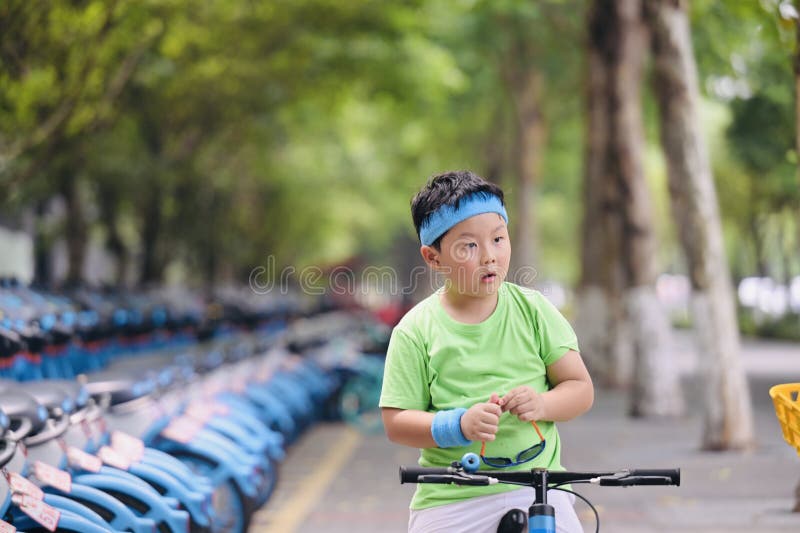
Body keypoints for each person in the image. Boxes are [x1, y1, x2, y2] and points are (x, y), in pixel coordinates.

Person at [379, 170, 594, 533]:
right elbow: (396, 422)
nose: (489, 257)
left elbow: (580, 389)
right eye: (469, 246)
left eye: (498, 238)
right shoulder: (415, 330)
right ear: (433, 258)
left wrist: (543, 404)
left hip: (539, 487)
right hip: (453, 497)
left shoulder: (534, 310)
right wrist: (457, 425)